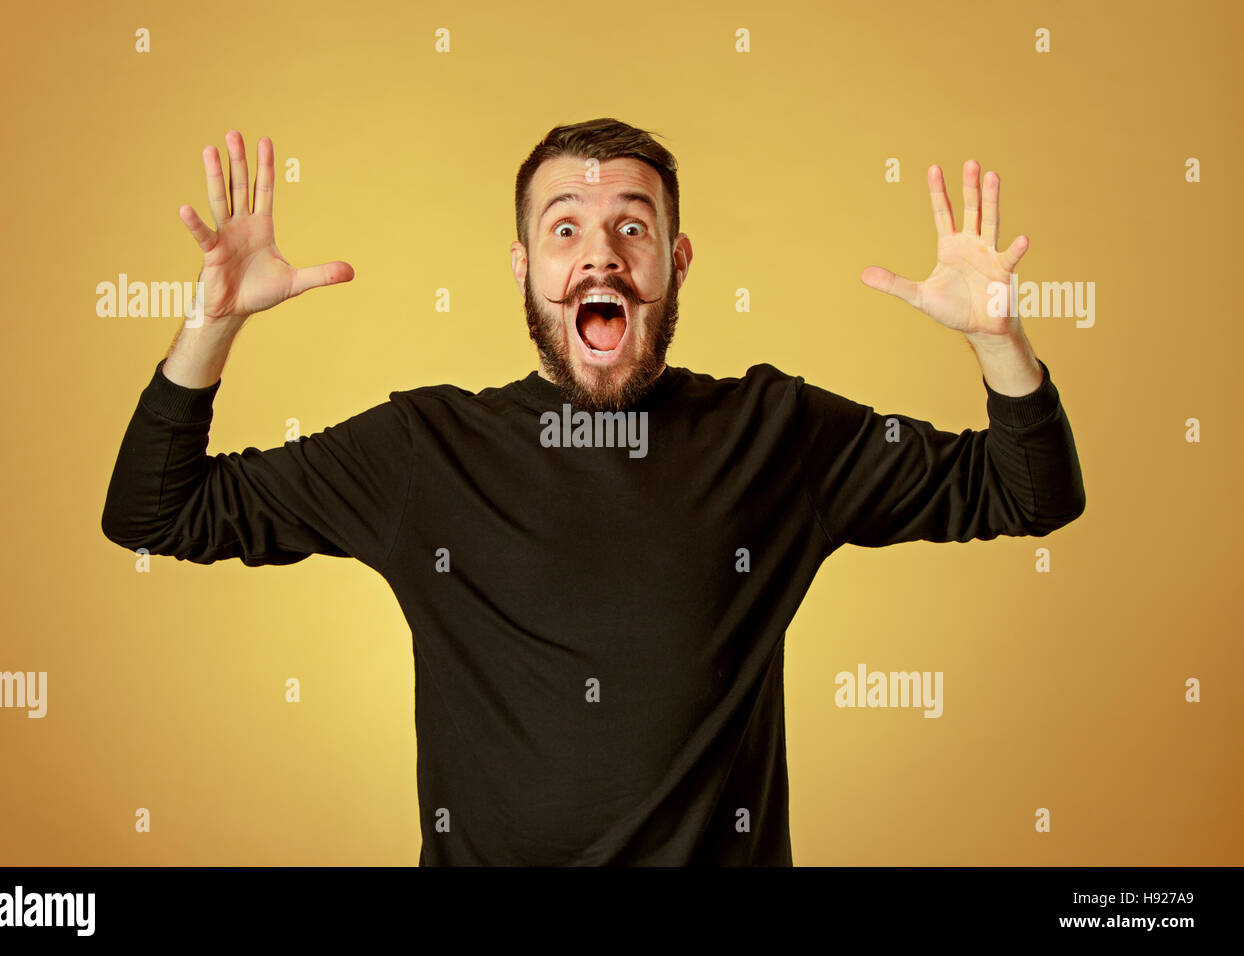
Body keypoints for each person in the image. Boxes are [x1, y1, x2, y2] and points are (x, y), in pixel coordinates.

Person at [102, 118, 1085, 865]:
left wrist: (997, 339)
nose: (600, 254)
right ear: (526, 270)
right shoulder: (422, 450)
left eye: (632, 226)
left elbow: (1028, 492)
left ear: (674, 260)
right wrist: (211, 326)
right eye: (565, 229)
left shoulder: (777, 433)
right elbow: (155, 510)